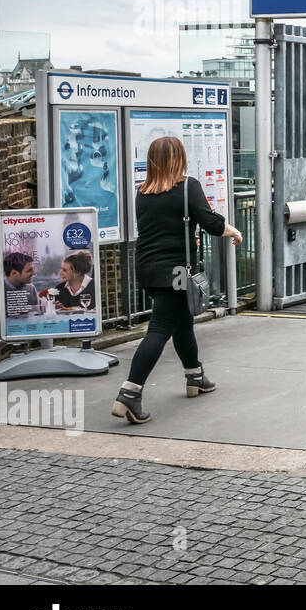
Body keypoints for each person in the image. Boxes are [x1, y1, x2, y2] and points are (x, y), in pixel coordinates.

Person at [112, 136, 243, 425]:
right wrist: (234, 231)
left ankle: (195, 376)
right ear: (179, 158)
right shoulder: (187, 187)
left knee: (182, 321)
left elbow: (161, 228)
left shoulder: (143, 192)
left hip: (148, 268)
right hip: (176, 272)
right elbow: (210, 222)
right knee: (159, 329)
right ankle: (129, 393)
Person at [2, 252, 39, 320]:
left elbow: (37, 315)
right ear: (14, 273)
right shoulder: (0, 291)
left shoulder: (31, 288)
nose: (34, 273)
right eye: (29, 270)